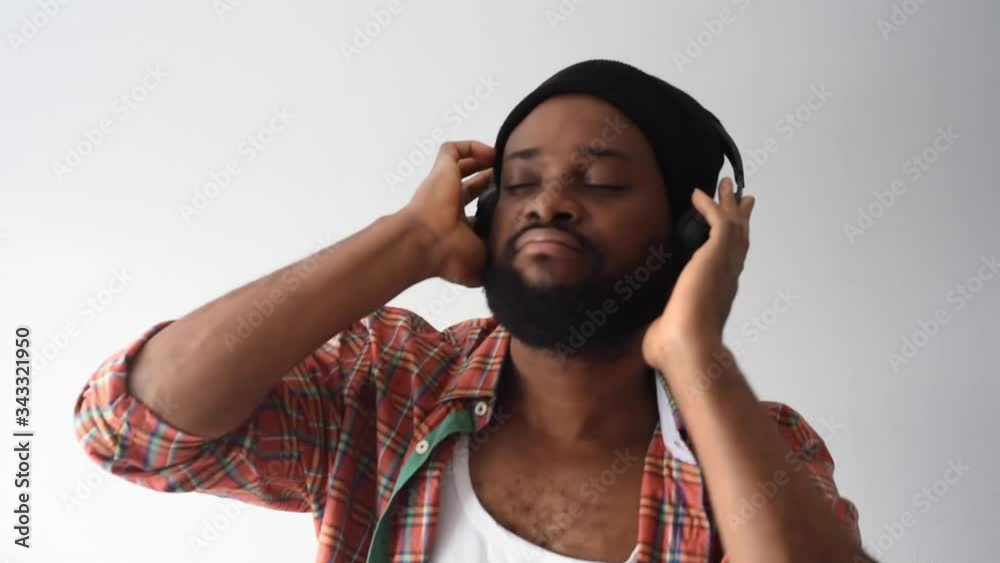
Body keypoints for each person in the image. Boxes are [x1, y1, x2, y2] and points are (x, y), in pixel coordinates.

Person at [74, 59, 871, 563]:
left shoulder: (753, 449)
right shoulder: (390, 387)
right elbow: (129, 429)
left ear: (690, 234)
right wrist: (409, 241)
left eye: (599, 182)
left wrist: (698, 356)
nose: (549, 204)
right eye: (520, 182)